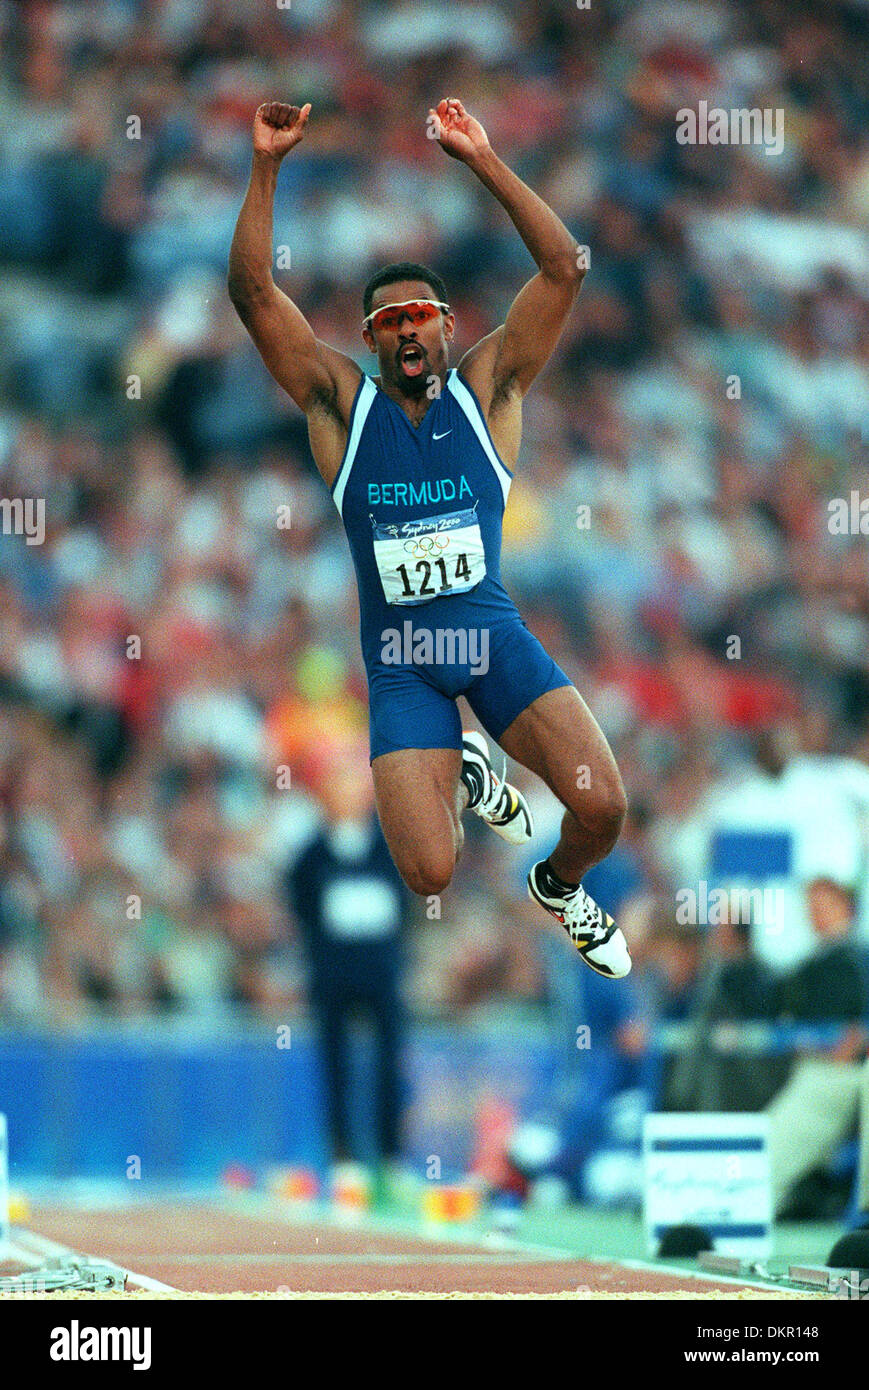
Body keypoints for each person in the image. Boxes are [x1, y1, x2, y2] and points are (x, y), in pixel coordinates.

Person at [228, 97, 630, 980]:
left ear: (447, 325)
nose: (407, 329)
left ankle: (559, 887)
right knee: (428, 871)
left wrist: (483, 159)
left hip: (491, 642)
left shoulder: (489, 394)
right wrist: (265, 166)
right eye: (388, 321)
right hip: (404, 659)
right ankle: (466, 771)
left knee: (602, 810)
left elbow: (564, 267)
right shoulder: (340, 405)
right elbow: (254, 295)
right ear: (369, 341)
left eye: (420, 315)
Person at [284, 747, 410, 1186]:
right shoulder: (311, 855)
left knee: (389, 1063)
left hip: (382, 974)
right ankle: (343, 1157)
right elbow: (300, 908)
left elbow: (407, 903)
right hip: (332, 976)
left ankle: (392, 1158)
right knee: (335, 1064)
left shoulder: (390, 846)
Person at [765, 877, 869, 1217]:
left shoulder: (855, 958)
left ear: (847, 907)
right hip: (817, 1069)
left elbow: (851, 1037)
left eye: (825, 905)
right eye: (811, 907)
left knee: (773, 1152)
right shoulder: (810, 963)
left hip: (842, 1073)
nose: (816, 914)